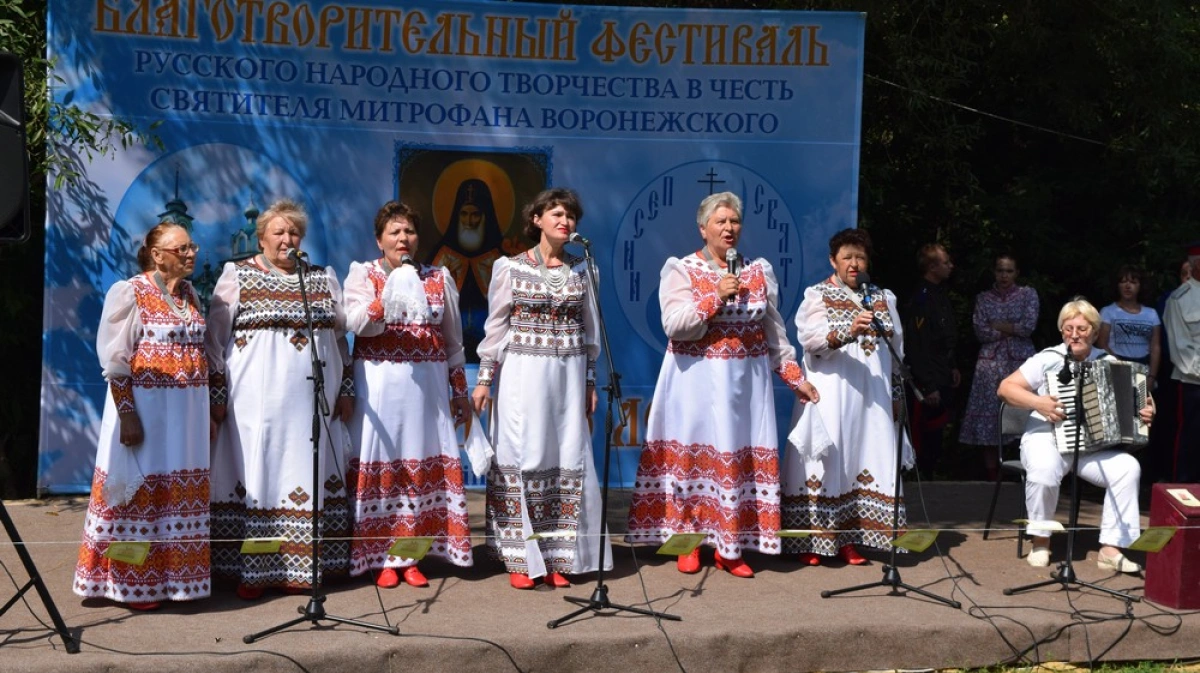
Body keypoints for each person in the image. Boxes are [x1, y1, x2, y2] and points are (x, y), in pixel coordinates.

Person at [625, 192, 820, 578]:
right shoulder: (681, 269)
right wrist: (714, 296)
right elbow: (675, 325)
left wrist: (794, 377)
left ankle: (730, 548)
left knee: (737, 454)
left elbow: (773, 331)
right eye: (720, 222)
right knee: (694, 458)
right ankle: (690, 541)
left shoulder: (757, 271)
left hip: (746, 382)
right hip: (694, 379)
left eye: (734, 221)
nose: (729, 228)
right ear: (703, 228)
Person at [207, 199, 355, 599]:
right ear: (262, 237)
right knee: (260, 474)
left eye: (293, 232)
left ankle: (306, 567)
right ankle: (252, 570)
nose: (287, 239)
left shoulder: (322, 278)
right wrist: (217, 394)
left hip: (311, 405)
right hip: (257, 404)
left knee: (306, 472)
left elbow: (340, 337)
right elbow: (215, 340)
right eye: (279, 232)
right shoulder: (237, 274)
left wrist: (347, 387)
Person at [470, 188, 609, 590]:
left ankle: (557, 556)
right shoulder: (509, 268)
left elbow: (591, 333)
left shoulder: (584, 270)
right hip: (522, 374)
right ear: (537, 220)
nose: (565, 221)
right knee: (524, 453)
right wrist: (484, 379)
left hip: (567, 375)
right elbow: (496, 327)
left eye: (570, 216)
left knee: (566, 454)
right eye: (557, 214)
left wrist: (589, 382)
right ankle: (521, 557)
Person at [73, 222, 210, 610]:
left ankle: (177, 580)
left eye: (192, 246)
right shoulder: (131, 292)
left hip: (186, 420)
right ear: (156, 254)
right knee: (138, 490)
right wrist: (128, 414)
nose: (190, 253)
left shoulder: (190, 294)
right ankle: (130, 583)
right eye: (181, 248)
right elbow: (116, 361)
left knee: (175, 494)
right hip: (146, 412)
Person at [343, 201, 473, 588]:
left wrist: (459, 392)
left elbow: (452, 342)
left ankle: (411, 555)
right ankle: (381, 557)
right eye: (394, 232)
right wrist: (388, 295)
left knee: (420, 464)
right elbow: (355, 324)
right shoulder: (363, 274)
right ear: (379, 239)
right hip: (380, 388)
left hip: (427, 391)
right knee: (386, 465)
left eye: (409, 232)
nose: (403, 238)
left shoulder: (438, 277)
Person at [997, 298, 1153, 572]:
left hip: (1091, 448)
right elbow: (1006, 388)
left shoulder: (1109, 362)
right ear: (1062, 332)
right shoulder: (1048, 359)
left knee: (1128, 468)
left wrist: (1149, 410)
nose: (1075, 334)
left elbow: (1142, 400)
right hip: (1046, 439)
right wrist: (1038, 403)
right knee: (1044, 471)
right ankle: (1041, 541)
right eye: (1068, 328)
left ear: (1094, 332)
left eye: (1082, 328)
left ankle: (1110, 548)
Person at [781, 228, 907, 566]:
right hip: (831, 393)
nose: (854, 264)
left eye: (860, 257)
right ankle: (813, 541)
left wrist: (896, 394)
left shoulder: (883, 298)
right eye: (847, 257)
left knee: (861, 459)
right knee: (827, 461)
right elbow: (810, 342)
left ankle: (852, 538)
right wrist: (848, 331)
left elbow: (897, 353)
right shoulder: (818, 295)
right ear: (833, 260)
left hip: (872, 397)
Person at [958, 255, 1039, 479]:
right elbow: (981, 331)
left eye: (1009, 271)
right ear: (994, 272)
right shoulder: (983, 298)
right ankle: (993, 475)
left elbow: (1028, 327)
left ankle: (1027, 472)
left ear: (1017, 273)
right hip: (989, 366)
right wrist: (1012, 328)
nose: (1004, 275)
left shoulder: (1028, 295)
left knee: (1023, 415)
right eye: (1000, 271)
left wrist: (998, 326)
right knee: (990, 419)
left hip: (1020, 363)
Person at [901, 243, 959, 478]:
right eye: (946, 262)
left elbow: (945, 336)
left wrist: (953, 365)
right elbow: (917, 345)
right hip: (928, 379)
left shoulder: (940, 294)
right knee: (925, 434)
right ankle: (920, 479)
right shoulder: (921, 299)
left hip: (943, 371)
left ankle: (931, 474)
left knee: (938, 433)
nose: (950, 266)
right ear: (932, 267)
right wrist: (928, 385)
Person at [431, 179, 505, 362]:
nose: (469, 221)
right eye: (464, 214)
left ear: (485, 215)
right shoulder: (443, 255)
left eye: (475, 214)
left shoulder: (501, 256)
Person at [1165, 244, 1200, 482]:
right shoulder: (1180, 299)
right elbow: (1180, 348)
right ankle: (1184, 492)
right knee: (1191, 438)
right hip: (1193, 381)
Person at [1097, 265, 1161, 378]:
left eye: (1133, 282)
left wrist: (1152, 375)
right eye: (1123, 281)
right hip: (1115, 367)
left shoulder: (1151, 314)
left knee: (1142, 396)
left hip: (1143, 367)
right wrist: (1119, 364)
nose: (1127, 286)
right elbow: (1102, 344)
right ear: (1117, 285)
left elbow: (1155, 347)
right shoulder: (1108, 312)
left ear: (1140, 286)